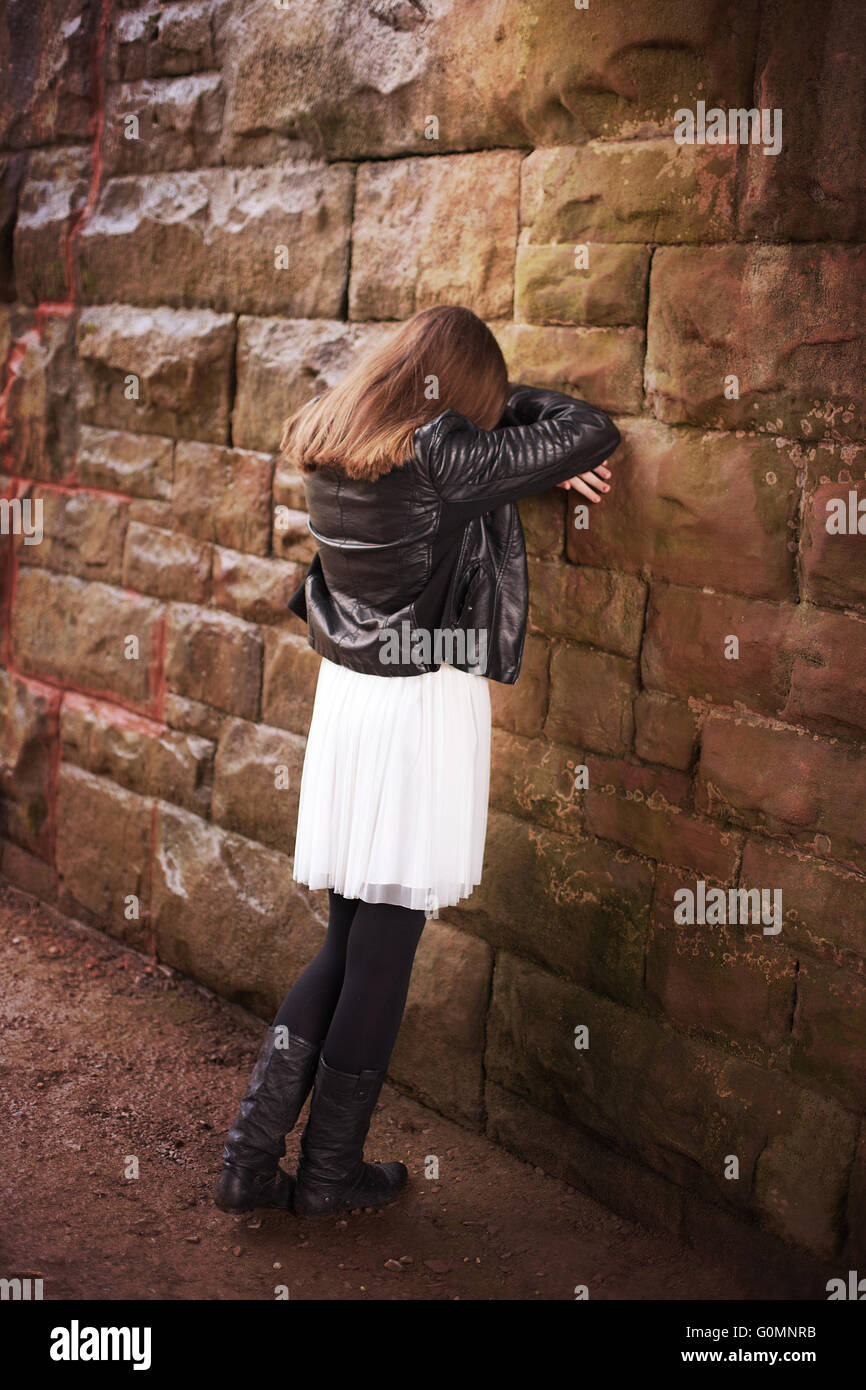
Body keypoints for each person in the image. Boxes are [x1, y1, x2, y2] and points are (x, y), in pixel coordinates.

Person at [215, 304, 621, 1219]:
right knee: (385, 952)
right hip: (419, 706)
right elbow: (591, 430)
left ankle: (250, 1161)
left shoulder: (334, 428)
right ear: (468, 396)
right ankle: (326, 1175)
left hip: (352, 701)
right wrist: (515, 422)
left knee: (346, 937)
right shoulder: (449, 454)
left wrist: (504, 439)